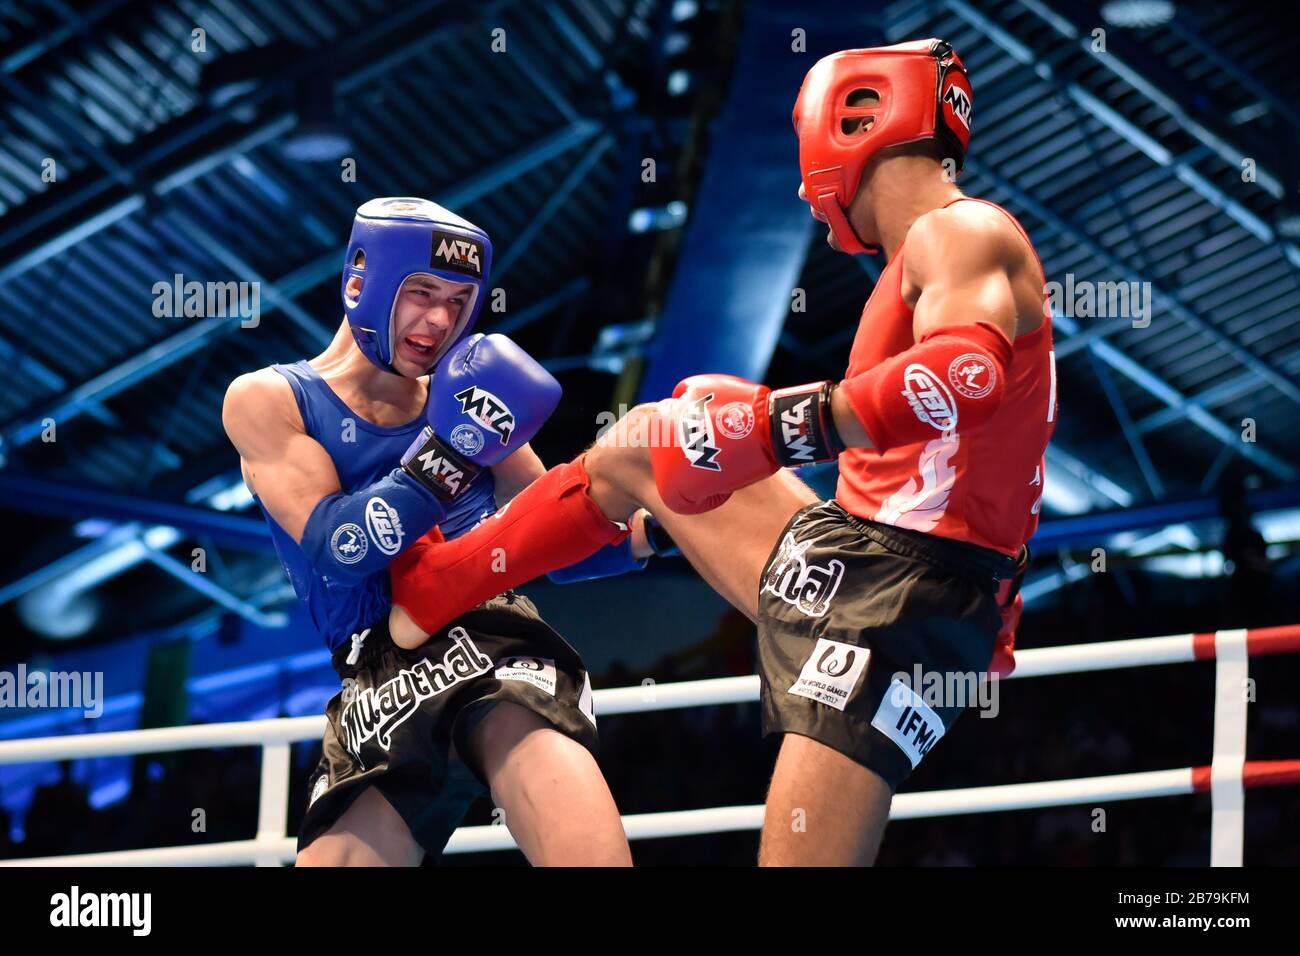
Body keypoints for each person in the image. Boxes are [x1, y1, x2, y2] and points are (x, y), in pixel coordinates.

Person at [390, 39, 1056, 866]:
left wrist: (774, 427)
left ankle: (536, 558)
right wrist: (738, 430)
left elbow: (965, 374)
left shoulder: (963, 231)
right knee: (655, 433)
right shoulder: (921, 258)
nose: (810, 196)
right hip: (863, 555)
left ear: (851, 125)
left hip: (905, 605)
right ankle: (440, 586)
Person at [223, 197, 658, 866]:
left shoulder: (465, 399)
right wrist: (453, 448)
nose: (439, 320)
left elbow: (559, 541)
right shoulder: (271, 399)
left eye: (458, 301)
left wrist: (670, 524)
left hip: (489, 641)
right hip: (374, 677)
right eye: (421, 292)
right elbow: (342, 549)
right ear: (362, 280)